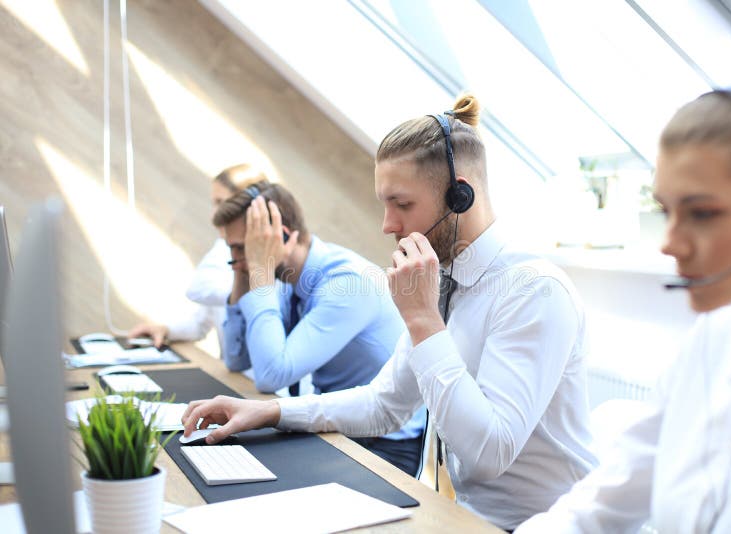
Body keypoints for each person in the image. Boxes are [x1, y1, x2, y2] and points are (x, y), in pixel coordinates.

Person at [183, 93, 597, 530]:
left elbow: (490, 454)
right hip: (466, 518)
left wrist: (423, 321)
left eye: (402, 205)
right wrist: (272, 413)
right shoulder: (440, 280)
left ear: (461, 196)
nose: (387, 224)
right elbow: (385, 405)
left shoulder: (533, 291)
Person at [515, 40, 731, 533]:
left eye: (703, 213)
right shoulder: (708, 345)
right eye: (666, 211)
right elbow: (605, 501)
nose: (669, 244)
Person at [213, 181, 426, 476]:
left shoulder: (347, 284)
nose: (236, 261)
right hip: (334, 427)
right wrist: (242, 271)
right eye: (233, 250)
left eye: (243, 248)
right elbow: (237, 359)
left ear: (283, 236)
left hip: (383, 446)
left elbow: (271, 375)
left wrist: (259, 273)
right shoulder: (291, 277)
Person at [128, 164, 269, 356]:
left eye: (222, 203)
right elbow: (200, 320)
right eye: (214, 203)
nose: (214, 215)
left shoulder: (274, 258)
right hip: (236, 378)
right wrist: (166, 329)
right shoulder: (222, 249)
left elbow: (201, 290)